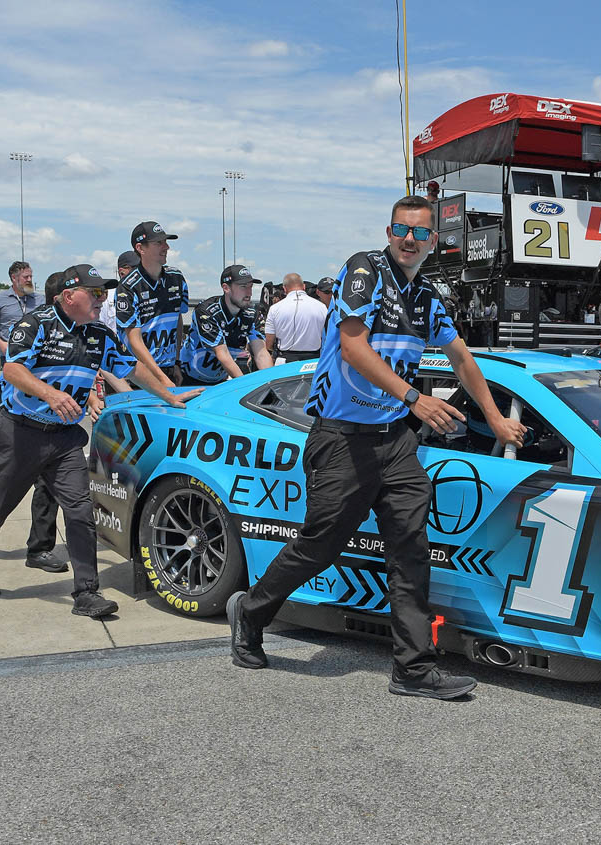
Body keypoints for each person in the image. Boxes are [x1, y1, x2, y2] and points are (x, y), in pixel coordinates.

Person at [227, 194, 527, 700]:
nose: (409, 240)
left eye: (420, 232)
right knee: (321, 545)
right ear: (389, 232)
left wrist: (496, 419)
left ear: (435, 240)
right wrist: (414, 398)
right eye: (400, 230)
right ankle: (251, 610)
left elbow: (461, 357)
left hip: (396, 444)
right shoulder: (363, 269)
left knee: (411, 550)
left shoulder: (429, 297)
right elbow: (352, 345)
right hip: (341, 439)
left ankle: (412, 669)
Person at [0, 264, 200, 614]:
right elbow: (12, 369)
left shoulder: (100, 334)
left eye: (105, 293)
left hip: (64, 439)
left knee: (81, 510)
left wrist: (170, 396)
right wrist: (50, 395)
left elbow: (131, 369)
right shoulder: (36, 324)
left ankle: (86, 592)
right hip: (20, 430)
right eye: (96, 293)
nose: (103, 300)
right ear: (69, 296)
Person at [0, 260, 65, 574]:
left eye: (33, 277)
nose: (30, 280)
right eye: (26, 276)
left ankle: (40, 549)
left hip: (43, 408)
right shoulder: (1, 302)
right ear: (14, 278)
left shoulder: (51, 319)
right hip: (8, 399)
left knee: (49, 481)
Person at [115, 221, 189, 386]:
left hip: (169, 369)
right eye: (159, 243)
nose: (166, 247)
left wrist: (176, 362)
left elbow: (178, 320)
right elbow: (134, 339)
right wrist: (161, 379)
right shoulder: (127, 286)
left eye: (166, 242)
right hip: (137, 374)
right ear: (141, 248)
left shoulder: (177, 277)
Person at [178, 265, 274, 385]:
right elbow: (222, 354)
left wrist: (271, 383)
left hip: (220, 382)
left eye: (250, 286)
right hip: (188, 379)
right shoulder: (206, 311)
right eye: (243, 287)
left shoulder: (252, 315)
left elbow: (261, 353)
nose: (249, 292)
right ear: (226, 288)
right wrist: (246, 386)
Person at [263, 273, 328, 362]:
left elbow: (269, 342)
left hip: (285, 360)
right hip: (314, 360)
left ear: (284, 288)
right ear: (304, 287)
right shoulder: (321, 307)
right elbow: (328, 335)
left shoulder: (274, 309)